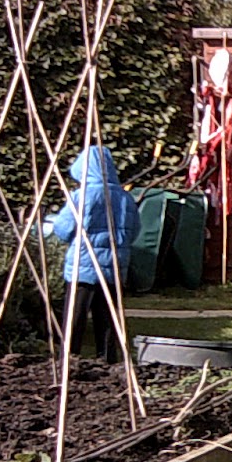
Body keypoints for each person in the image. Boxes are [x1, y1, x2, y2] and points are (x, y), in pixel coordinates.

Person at [48, 146, 140, 363]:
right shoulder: (125, 198)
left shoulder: (81, 196)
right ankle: (108, 360)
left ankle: (69, 360)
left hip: (84, 265)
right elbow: (134, 231)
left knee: (75, 317)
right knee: (107, 317)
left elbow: (63, 228)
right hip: (114, 267)